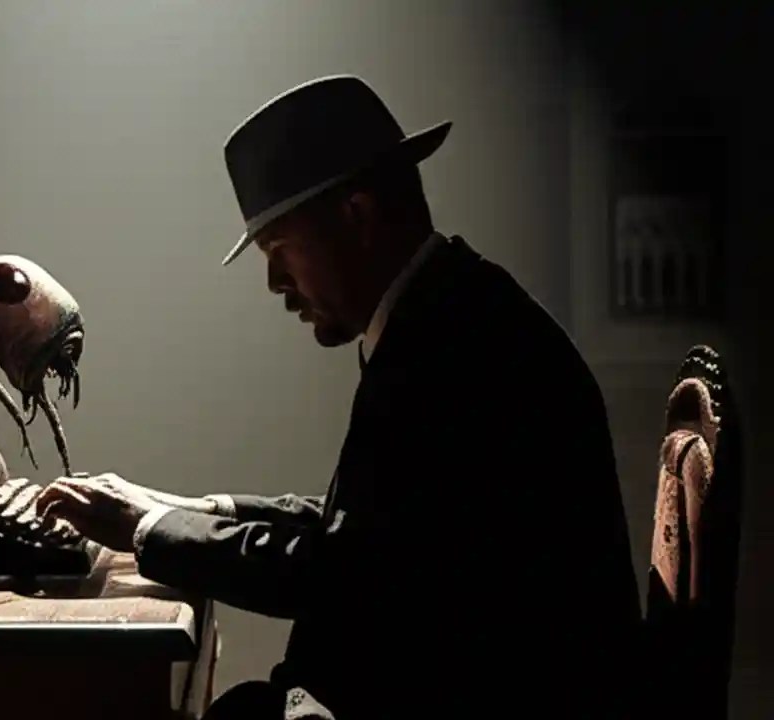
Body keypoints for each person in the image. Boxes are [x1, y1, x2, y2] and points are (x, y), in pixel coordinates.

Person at [36, 75, 643, 718]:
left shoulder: (458, 348)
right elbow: (364, 531)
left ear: (356, 215)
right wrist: (184, 508)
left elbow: (349, 573)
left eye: (278, 248)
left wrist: (147, 530)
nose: (274, 282)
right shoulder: (452, 311)